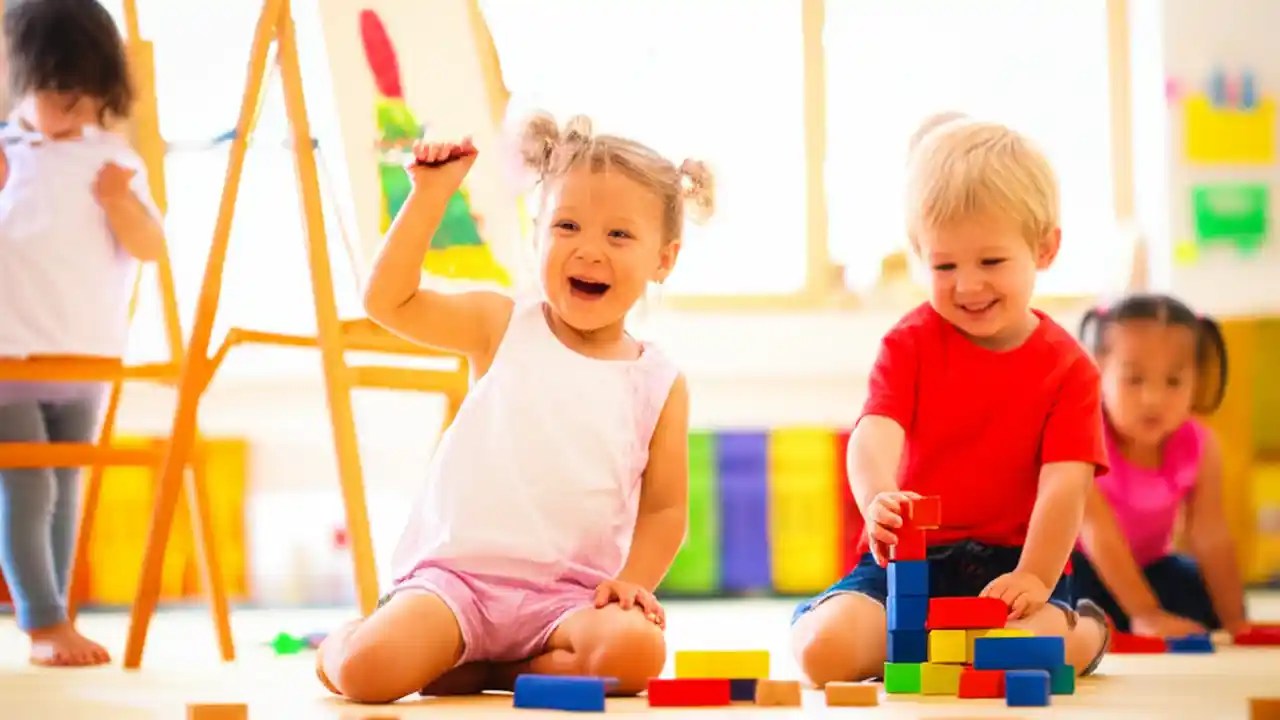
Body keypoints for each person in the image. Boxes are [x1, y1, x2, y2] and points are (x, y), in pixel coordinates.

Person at [316, 112, 713, 703]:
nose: (588, 251)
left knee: (638, 653)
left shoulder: (658, 382)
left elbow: (664, 511)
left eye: (619, 235)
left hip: (570, 599)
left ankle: (490, 672)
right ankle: (348, 639)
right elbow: (387, 301)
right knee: (368, 672)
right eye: (568, 226)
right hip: (456, 586)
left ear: (664, 259)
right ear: (537, 234)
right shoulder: (501, 325)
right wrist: (430, 195)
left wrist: (630, 585)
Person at [790, 115, 1111, 686]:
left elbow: (1065, 486)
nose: (967, 286)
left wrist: (1036, 576)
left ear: (1045, 248)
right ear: (919, 254)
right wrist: (877, 498)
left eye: (990, 262)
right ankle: (822, 618)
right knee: (823, 655)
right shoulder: (909, 343)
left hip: (1015, 565)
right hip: (905, 565)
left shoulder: (1069, 370)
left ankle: (1082, 630)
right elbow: (874, 434)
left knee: (1007, 656)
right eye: (943, 265)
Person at [0, 0, 165, 667]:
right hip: (10, 353)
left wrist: (120, 202)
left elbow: (151, 247)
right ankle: (42, 621)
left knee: (66, 484)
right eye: (53, 94)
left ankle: (57, 612)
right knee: (27, 486)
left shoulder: (115, 159)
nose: (71, 110)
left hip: (87, 355)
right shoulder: (8, 154)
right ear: (21, 81)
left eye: (85, 97)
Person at [1072, 294, 1250, 637]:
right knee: (1064, 604)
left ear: (1195, 380)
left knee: (1193, 589)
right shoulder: (1083, 436)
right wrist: (1146, 612)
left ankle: (1136, 620)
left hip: (1151, 565)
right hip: (1085, 565)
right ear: (1097, 372)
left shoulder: (1199, 444)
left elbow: (1210, 533)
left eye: (1173, 382)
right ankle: (1123, 623)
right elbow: (1097, 533)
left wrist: (1237, 622)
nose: (1153, 399)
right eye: (1134, 380)